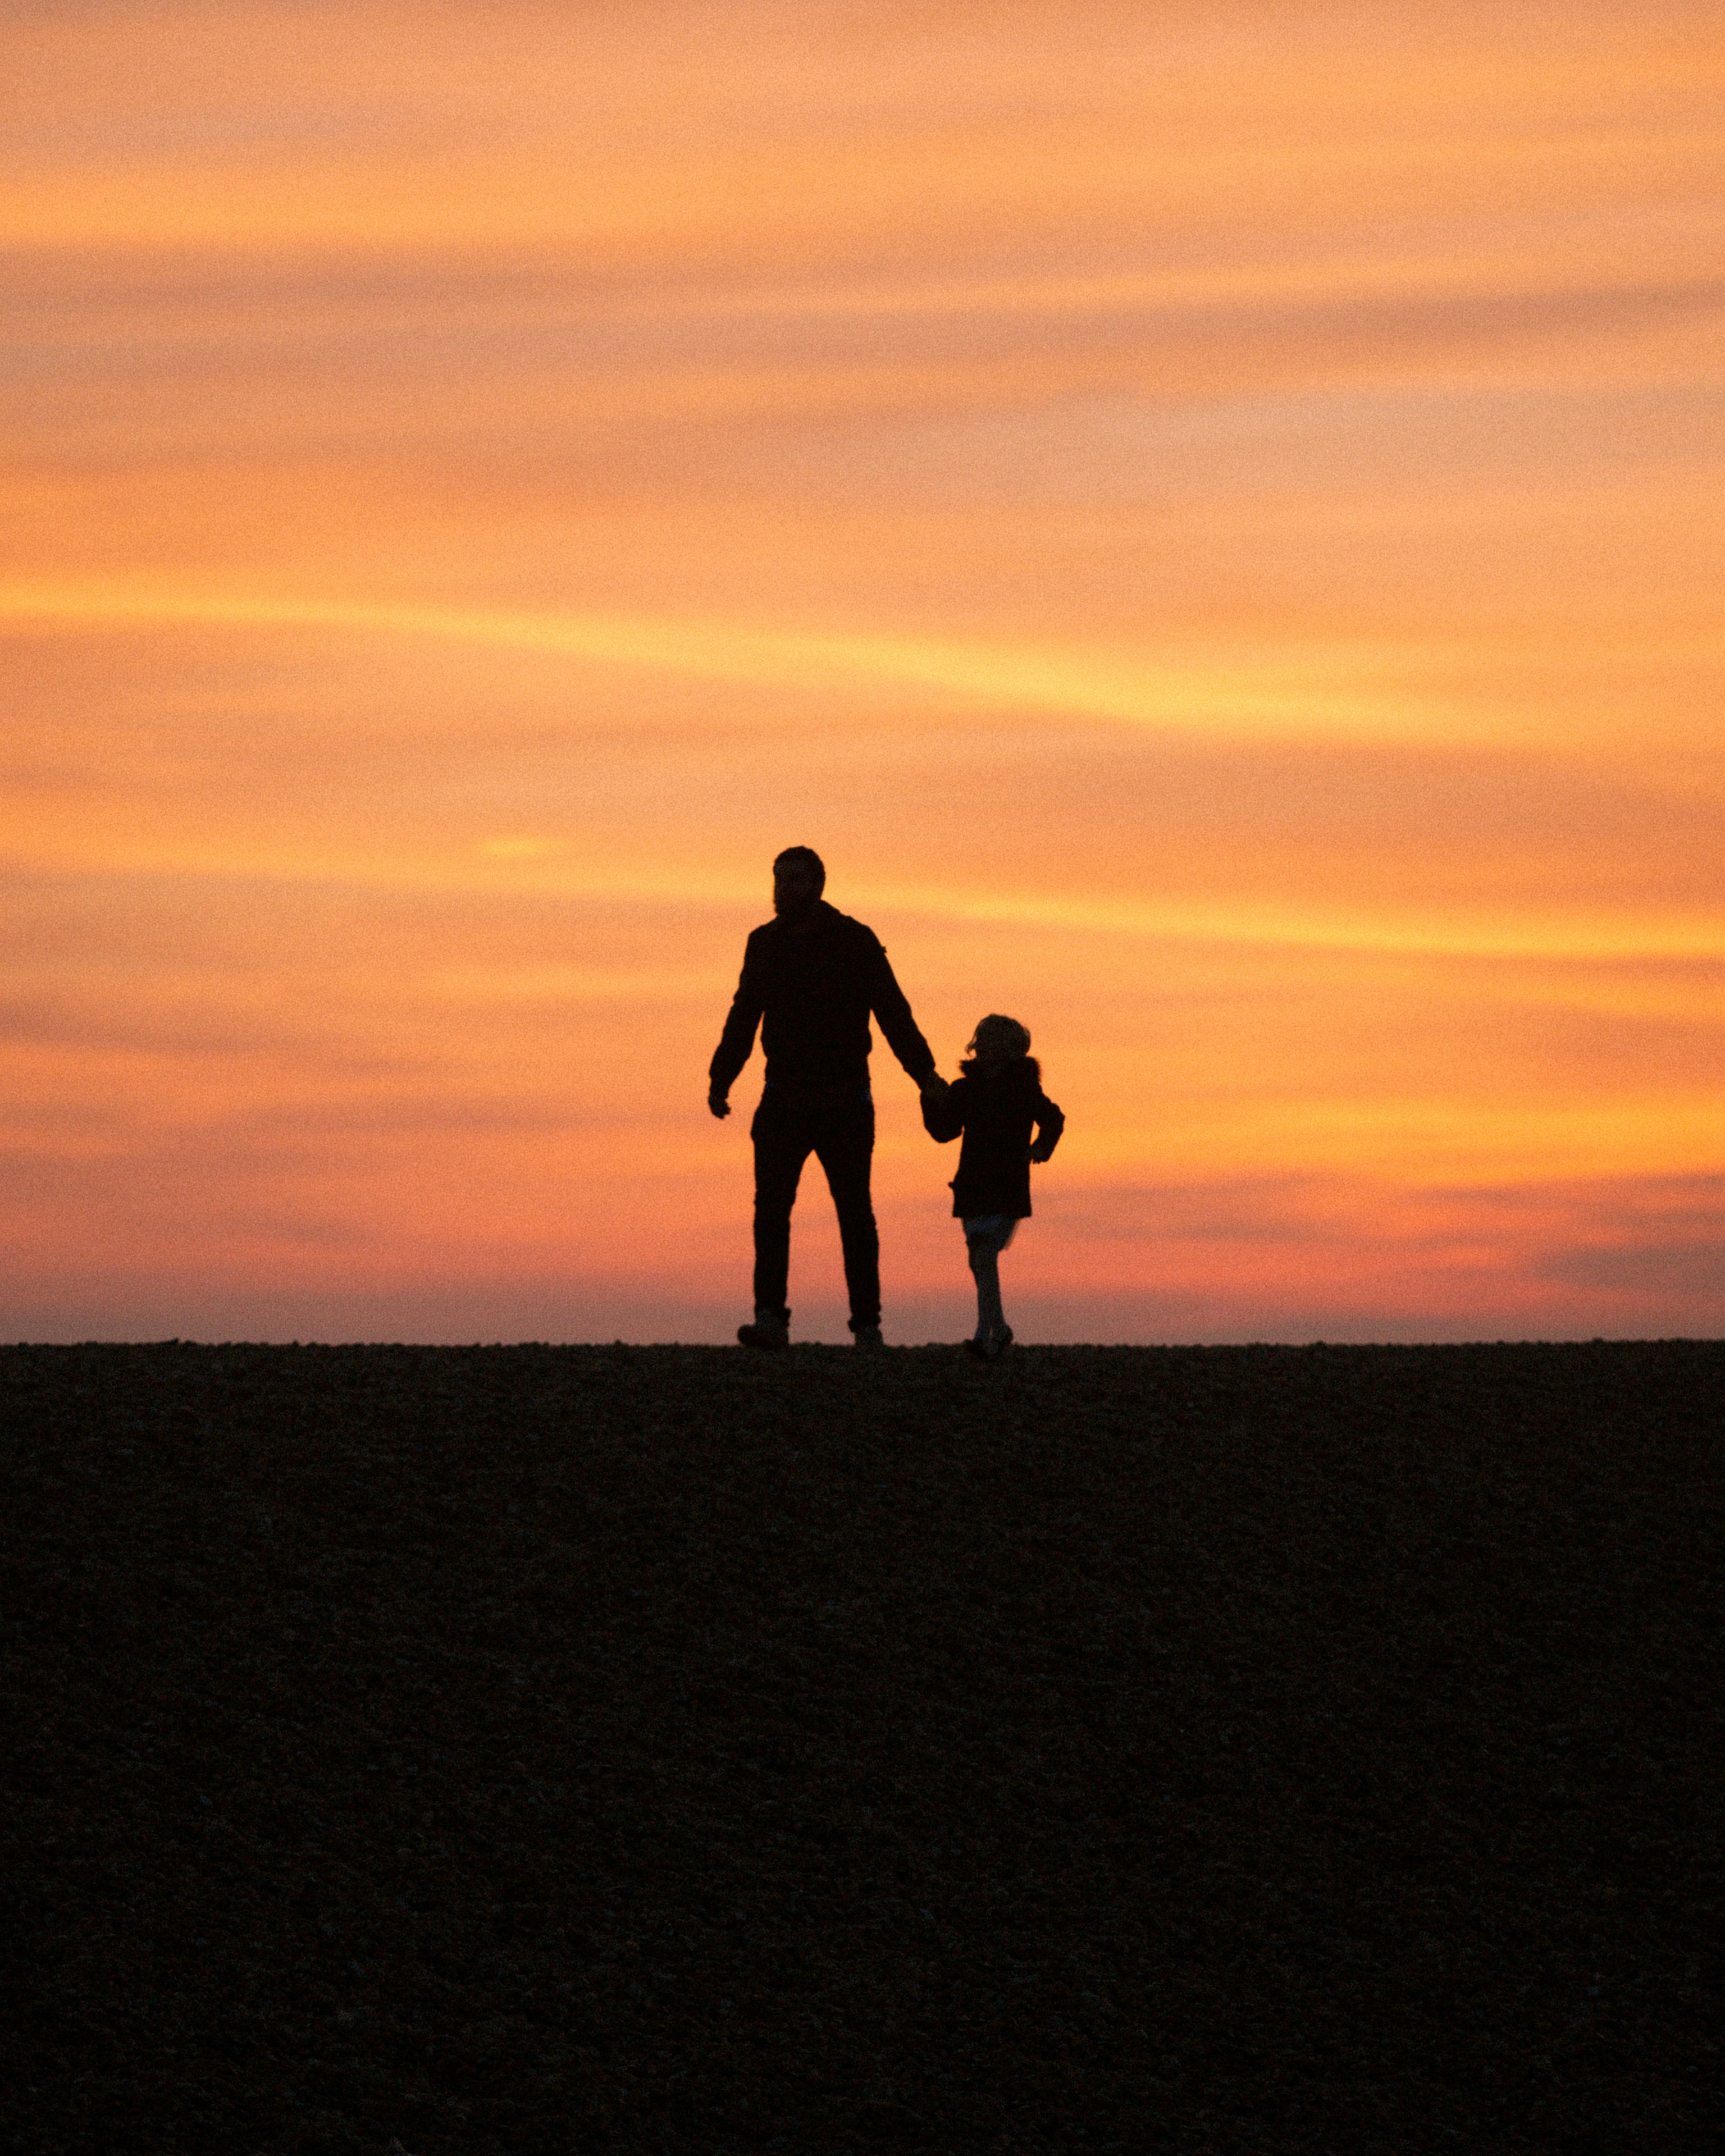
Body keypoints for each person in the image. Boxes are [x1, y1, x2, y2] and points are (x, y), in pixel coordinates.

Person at [709, 847, 946, 1349]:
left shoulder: (855, 941)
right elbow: (744, 1013)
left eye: (793, 879)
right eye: (777, 878)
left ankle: (867, 1325)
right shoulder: (764, 944)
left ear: (817, 884)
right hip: (783, 1099)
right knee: (771, 1211)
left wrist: (925, 1075)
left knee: (855, 1213)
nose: (782, 888)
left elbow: (892, 1012)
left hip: (845, 1101)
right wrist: (721, 1078)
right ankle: (770, 1317)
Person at [921, 1013, 1064, 1359]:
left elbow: (1053, 1118)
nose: (982, 1046)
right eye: (980, 1039)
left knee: (984, 1254)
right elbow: (945, 1132)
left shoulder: (1023, 1088)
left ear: (1011, 1049)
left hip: (1007, 1185)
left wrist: (1041, 1149)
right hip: (972, 1186)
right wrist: (930, 1100)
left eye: (991, 1039)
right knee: (979, 1260)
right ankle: (997, 1329)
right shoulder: (965, 1089)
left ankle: (987, 1335)